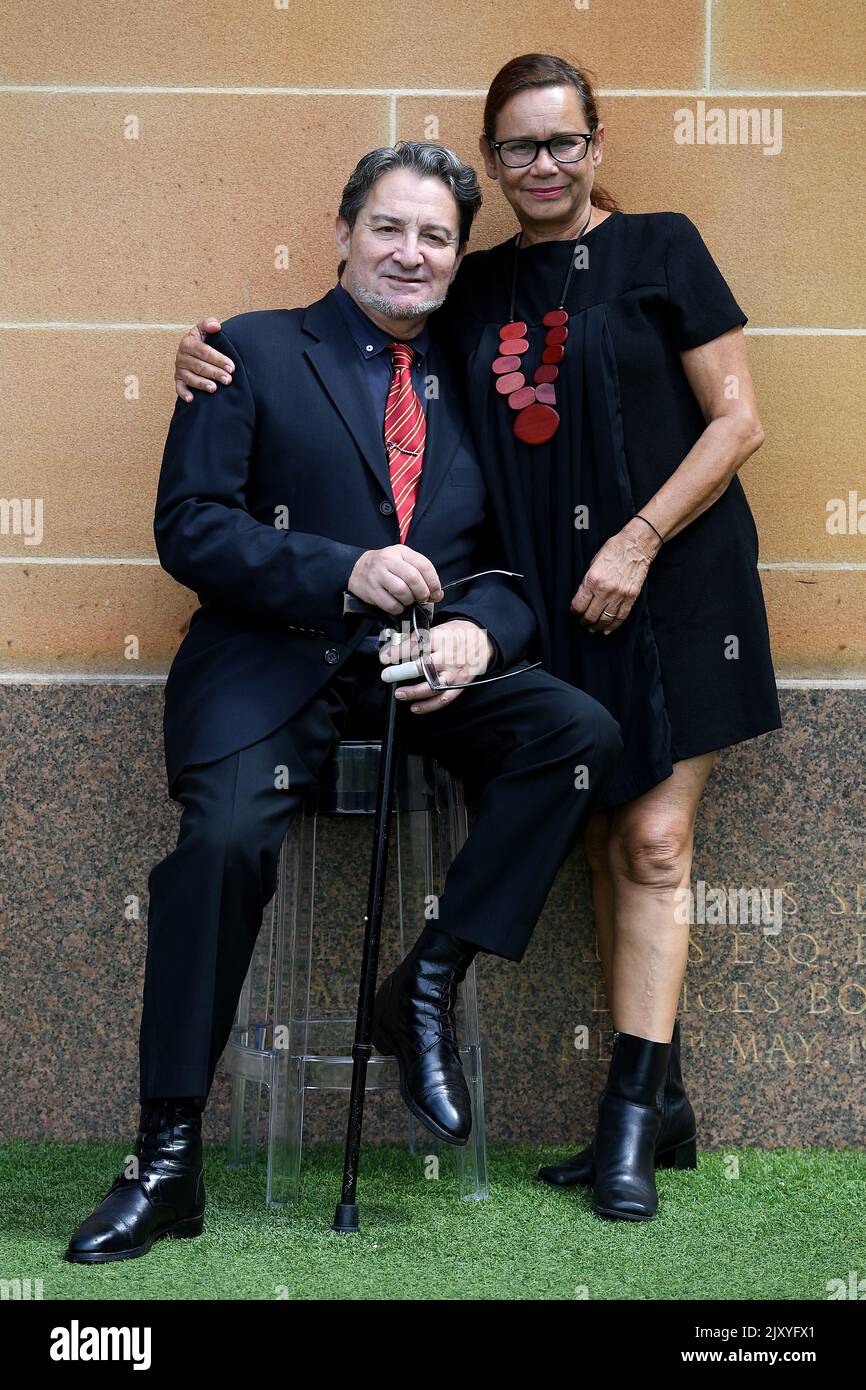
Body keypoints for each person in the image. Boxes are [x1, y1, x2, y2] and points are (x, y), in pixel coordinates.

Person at [173, 55, 782, 1224]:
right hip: (543, 594)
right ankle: (660, 1096)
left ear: (598, 145)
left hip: (672, 575)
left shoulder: (662, 247)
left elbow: (738, 418)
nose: (541, 166)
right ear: (492, 160)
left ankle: (615, 1113)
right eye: (517, 147)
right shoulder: (473, 280)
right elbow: (355, 347)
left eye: (562, 143)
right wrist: (204, 357)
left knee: (653, 840)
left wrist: (640, 540)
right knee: (603, 820)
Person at [64, 141, 623, 1263]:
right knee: (218, 844)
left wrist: (479, 630)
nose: (409, 253)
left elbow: (512, 570)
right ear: (342, 231)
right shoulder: (248, 350)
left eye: (434, 237)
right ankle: (165, 1159)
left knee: (575, 734)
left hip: (423, 677)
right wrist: (336, 568)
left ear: (457, 258)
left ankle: (422, 981)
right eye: (388, 227)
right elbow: (191, 526)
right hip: (270, 663)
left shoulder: (476, 377)